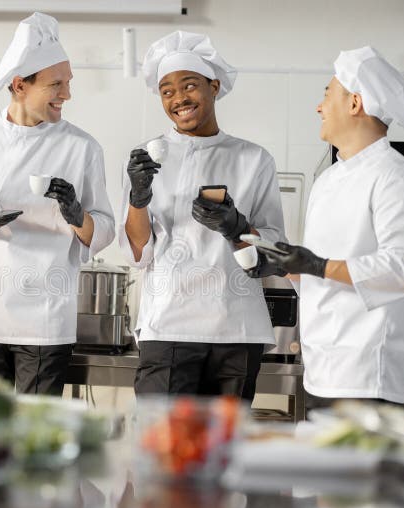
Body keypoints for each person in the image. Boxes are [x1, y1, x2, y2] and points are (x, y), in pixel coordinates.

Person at [0, 12, 115, 396]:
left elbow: (105, 228)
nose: (67, 94)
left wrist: (79, 218)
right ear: (19, 85)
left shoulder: (82, 147)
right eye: (56, 84)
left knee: (35, 440)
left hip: (45, 318)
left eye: (68, 83)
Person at [263, 46, 404, 405]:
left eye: (327, 95)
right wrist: (285, 268)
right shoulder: (328, 180)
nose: (318, 107)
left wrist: (315, 265)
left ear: (355, 103)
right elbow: (324, 277)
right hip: (319, 369)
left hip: (366, 373)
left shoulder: (398, 178)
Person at [119, 31, 286, 398]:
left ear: (214, 86)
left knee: (223, 449)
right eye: (167, 91)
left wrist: (237, 228)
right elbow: (137, 250)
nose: (178, 98)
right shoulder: (146, 158)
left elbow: (275, 251)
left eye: (189, 85)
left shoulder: (254, 159)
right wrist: (138, 196)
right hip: (167, 326)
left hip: (236, 329)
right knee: (162, 447)